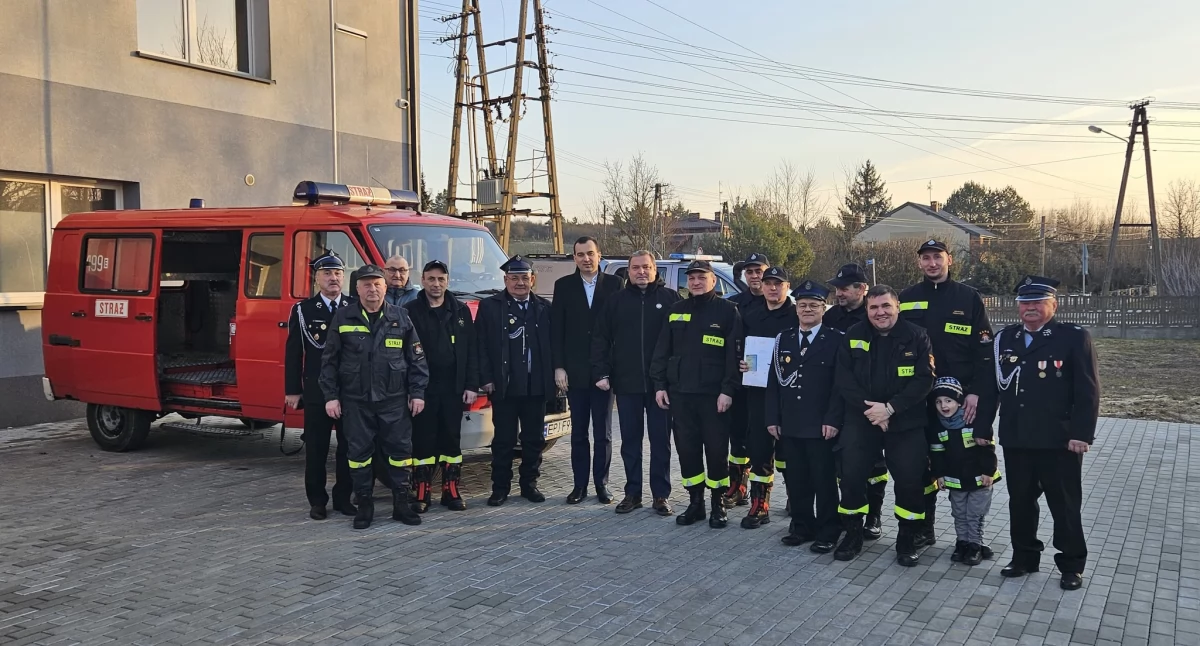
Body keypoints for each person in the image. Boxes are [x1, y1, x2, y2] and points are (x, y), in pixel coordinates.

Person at [993, 276, 1098, 591]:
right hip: (1017, 438)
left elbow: (1087, 391)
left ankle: (1071, 565)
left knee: (1064, 505)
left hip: (1059, 440)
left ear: (1053, 304)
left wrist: (1082, 434)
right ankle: (1024, 557)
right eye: (1025, 303)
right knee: (1020, 502)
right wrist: (983, 426)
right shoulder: (1006, 338)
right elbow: (990, 387)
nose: (1030, 308)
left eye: (1038, 302)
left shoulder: (1073, 338)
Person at [899, 240, 994, 549]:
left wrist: (976, 393)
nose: (932, 263)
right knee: (923, 464)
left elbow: (984, 352)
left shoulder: (968, 298)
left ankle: (970, 539)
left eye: (937, 257)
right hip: (920, 399)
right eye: (925, 258)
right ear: (919, 263)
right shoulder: (907, 299)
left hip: (958, 401)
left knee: (967, 465)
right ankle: (925, 527)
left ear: (949, 260)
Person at [319, 264, 429, 530]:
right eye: (366, 284)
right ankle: (364, 505)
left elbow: (417, 360)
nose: (372, 289)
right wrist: (330, 397)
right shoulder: (344, 318)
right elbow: (329, 362)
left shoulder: (401, 317)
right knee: (358, 455)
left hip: (394, 401)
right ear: (356, 289)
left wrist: (417, 393)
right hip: (356, 401)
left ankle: (401, 504)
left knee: (400, 453)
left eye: (377, 284)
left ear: (385, 287)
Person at [833, 285, 935, 565]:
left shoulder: (917, 336)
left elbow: (924, 379)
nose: (880, 313)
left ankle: (906, 539)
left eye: (885, 306)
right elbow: (843, 379)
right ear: (866, 309)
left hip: (904, 421)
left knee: (909, 481)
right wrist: (872, 412)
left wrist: (890, 409)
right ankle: (853, 534)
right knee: (852, 478)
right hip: (862, 418)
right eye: (874, 308)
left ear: (897, 306)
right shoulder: (854, 335)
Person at [650, 259, 742, 528]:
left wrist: (728, 391)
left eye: (701, 277)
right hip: (681, 396)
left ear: (713, 280)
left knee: (716, 452)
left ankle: (717, 504)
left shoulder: (727, 311)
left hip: (714, 399)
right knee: (687, 452)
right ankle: (696, 503)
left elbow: (733, 357)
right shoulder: (676, 310)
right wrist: (659, 386)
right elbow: (661, 350)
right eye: (691, 278)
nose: (696, 282)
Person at [592, 250, 680, 516]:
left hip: (660, 388)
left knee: (660, 441)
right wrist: (602, 373)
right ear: (628, 271)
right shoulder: (616, 301)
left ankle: (661, 495)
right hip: (627, 384)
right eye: (636, 268)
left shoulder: (671, 300)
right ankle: (632, 493)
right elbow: (600, 339)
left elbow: (679, 343)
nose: (641, 272)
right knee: (630, 441)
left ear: (655, 270)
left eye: (646, 267)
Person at [767, 280, 844, 552]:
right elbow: (774, 382)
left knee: (823, 481)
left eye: (813, 305)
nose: (807, 310)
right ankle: (801, 526)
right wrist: (772, 418)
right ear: (796, 309)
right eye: (802, 305)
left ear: (824, 308)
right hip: (791, 423)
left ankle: (828, 529)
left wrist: (833, 420)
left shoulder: (836, 339)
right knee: (797, 480)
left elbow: (839, 386)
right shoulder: (784, 339)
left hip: (821, 424)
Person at [476, 255, 555, 506]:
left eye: (524, 278)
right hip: (504, 386)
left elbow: (553, 347)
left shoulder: (544, 308)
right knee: (504, 440)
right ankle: (500, 488)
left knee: (533, 440)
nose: (520, 283)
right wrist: (486, 378)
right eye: (514, 278)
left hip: (535, 386)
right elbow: (481, 347)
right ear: (505, 280)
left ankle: (529, 485)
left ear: (533, 280)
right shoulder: (490, 307)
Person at [285, 251, 356, 520]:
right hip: (316, 391)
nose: (334, 278)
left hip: (349, 390)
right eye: (327, 273)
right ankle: (317, 501)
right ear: (317, 279)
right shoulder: (303, 310)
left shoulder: (354, 306)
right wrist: (292, 389)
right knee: (317, 449)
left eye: (338, 273)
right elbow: (293, 352)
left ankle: (343, 499)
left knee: (349, 448)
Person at [403, 260, 479, 513]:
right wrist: (410, 390)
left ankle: (451, 491)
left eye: (441, 279)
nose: (436, 284)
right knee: (423, 440)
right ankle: (422, 493)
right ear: (422, 281)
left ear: (448, 281)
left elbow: (471, 352)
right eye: (431, 279)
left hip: (453, 389)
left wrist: (471, 385)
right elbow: (404, 354)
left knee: (451, 440)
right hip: (423, 390)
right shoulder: (410, 310)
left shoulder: (461, 310)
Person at [822, 262, 888, 541]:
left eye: (845, 288)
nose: (839, 293)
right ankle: (850, 519)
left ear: (862, 289)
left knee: (876, 467)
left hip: (880, 405)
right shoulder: (832, 317)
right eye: (837, 288)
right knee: (848, 466)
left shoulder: (875, 315)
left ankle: (874, 515)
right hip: (846, 403)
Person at [553, 236, 621, 505]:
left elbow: (619, 329)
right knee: (579, 433)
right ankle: (579, 486)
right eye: (580, 254)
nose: (586, 259)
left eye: (590, 253)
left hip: (604, 373)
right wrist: (559, 367)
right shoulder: (564, 286)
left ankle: (601, 485)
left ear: (599, 254)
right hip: (575, 373)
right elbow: (557, 330)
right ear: (574, 258)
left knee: (602, 433)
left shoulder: (615, 285)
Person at [736, 266, 797, 529]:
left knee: (792, 451)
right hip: (759, 393)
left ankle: (797, 497)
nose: (772, 288)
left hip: (791, 396)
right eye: (768, 283)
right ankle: (760, 505)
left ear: (787, 286)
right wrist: (741, 363)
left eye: (778, 284)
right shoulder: (750, 314)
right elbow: (741, 347)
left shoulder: (797, 315)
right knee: (760, 450)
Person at [928, 376, 999, 566]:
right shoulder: (937, 426)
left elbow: (987, 448)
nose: (943, 405)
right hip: (956, 480)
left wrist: (988, 471)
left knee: (974, 515)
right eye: (938, 401)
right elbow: (937, 454)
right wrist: (939, 475)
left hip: (980, 479)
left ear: (959, 401)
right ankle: (962, 543)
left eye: (948, 400)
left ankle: (975, 545)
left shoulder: (973, 421)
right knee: (959, 513)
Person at [724, 252, 768, 508]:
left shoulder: (779, 303)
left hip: (768, 385)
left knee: (767, 442)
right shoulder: (734, 304)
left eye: (759, 271)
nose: (755, 276)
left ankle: (767, 494)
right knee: (738, 435)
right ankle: (738, 486)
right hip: (741, 382)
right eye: (750, 272)